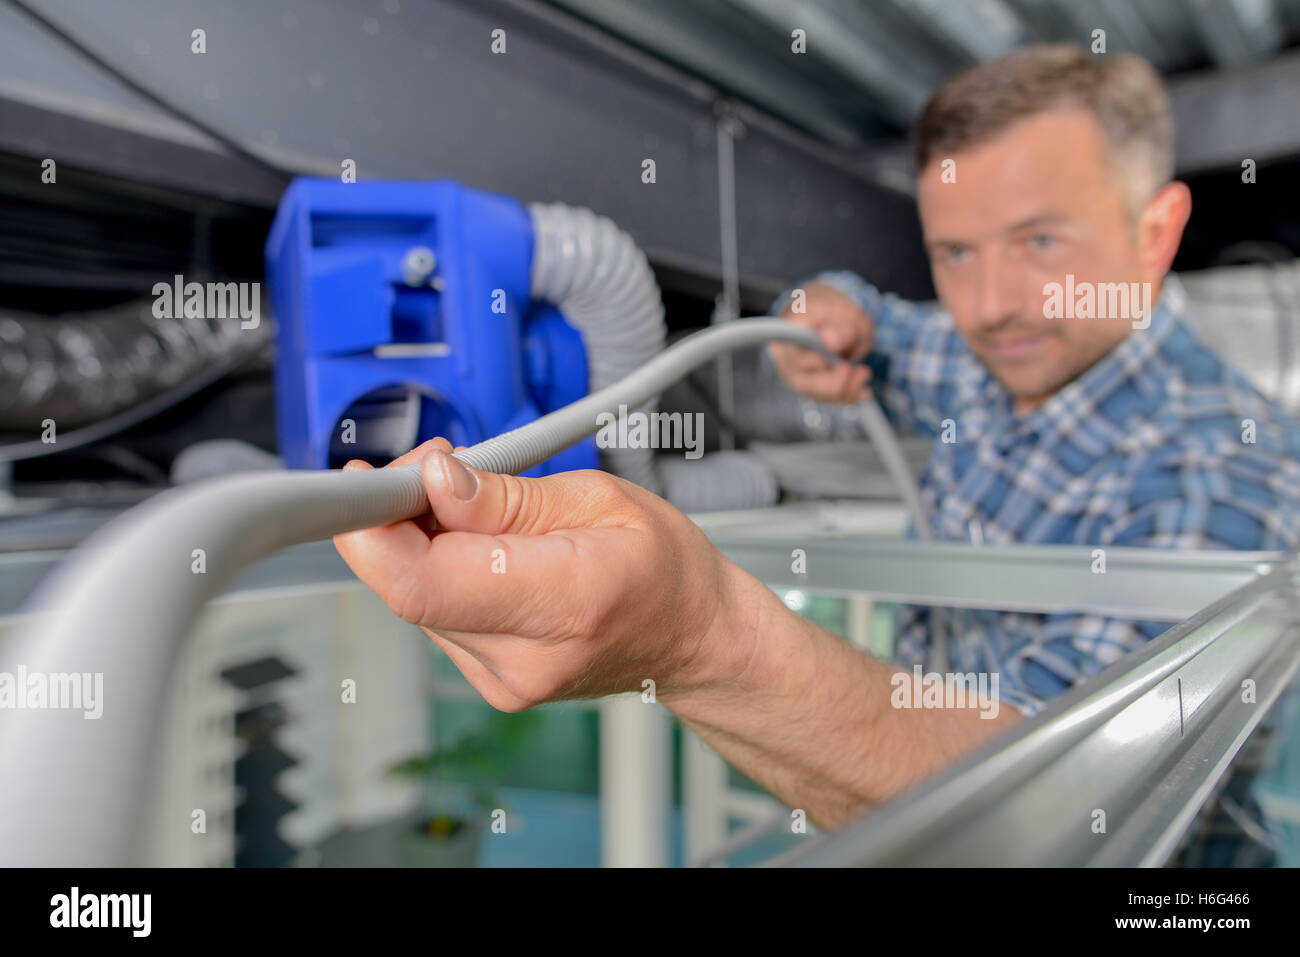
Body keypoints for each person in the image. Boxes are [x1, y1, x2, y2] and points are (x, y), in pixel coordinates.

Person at [335, 44, 1300, 831]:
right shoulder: (1000, 354)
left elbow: (1049, 808)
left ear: (1156, 230)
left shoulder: (1219, 471)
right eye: (955, 252)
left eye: (1041, 241)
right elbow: (873, 318)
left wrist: (701, 636)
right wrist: (825, 306)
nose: (992, 304)